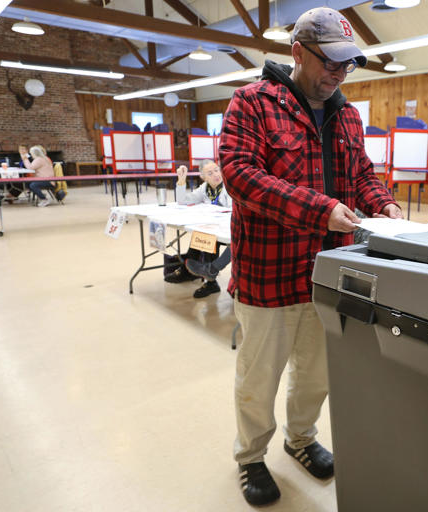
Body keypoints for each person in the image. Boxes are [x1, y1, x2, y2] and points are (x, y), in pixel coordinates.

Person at [219, 7, 402, 507]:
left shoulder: (346, 114)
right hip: (268, 275)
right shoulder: (252, 103)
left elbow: (361, 172)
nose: (339, 74)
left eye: (349, 65)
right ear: (298, 52)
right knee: (258, 379)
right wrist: (320, 210)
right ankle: (251, 457)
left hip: (329, 275)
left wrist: (381, 202)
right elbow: (240, 174)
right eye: (331, 63)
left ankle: (301, 440)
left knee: (317, 373)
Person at [163, 159, 232, 299]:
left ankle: (203, 277)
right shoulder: (205, 188)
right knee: (202, 234)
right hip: (214, 227)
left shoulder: (228, 187)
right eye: (210, 173)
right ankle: (201, 277)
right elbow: (183, 201)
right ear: (203, 177)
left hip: (228, 229)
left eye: (217, 170)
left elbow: (232, 210)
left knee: (207, 236)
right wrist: (181, 181)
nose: (216, 175)